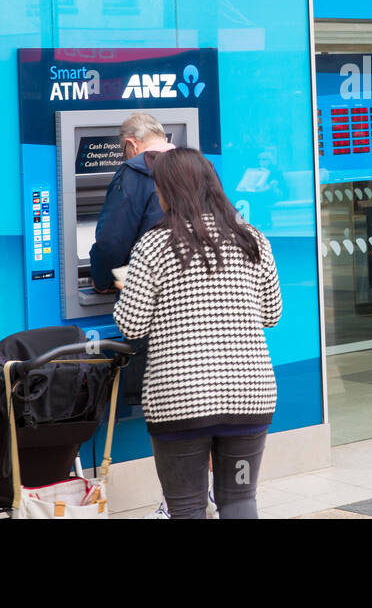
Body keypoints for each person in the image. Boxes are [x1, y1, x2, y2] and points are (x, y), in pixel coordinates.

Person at [113, 147, 282, 520]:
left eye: (159, 188)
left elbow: (132, 325)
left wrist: (131, 291)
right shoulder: (252, 238)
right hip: (249, 395)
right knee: (239, 500)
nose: (156, 196)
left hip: (181, 399)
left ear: (169, 192)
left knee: (186, 506)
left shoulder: (155, 245)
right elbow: (272, 314)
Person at [88, 112, 174, 294]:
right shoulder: (201, 166)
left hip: (146, 289)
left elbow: (112, 242)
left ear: (131, 144)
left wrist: (102, 280)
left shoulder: (133, 173)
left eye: (123, 152)